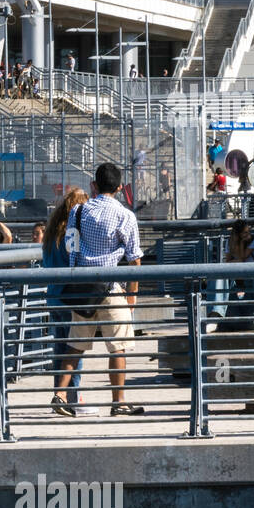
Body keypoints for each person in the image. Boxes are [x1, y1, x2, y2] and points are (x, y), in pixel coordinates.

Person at [52, 162, 143, 417]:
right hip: (111, 286)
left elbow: (72, 246)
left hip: (83, 285)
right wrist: (131, 297)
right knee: (118, 347)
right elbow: (135, 259)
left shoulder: (78, 212)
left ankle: (59, 395)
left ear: (94, 184)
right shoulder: (125, 215)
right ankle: (119, 402)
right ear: (120, 187)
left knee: (75, 346)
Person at [41, 189, 92, 416]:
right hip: (70, 296)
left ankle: (58, 396)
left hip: (53, 295)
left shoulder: (52, 233)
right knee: (75, 348)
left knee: (60, 348)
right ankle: (73, 399)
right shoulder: (72, 232)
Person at [221, 220, 254, 331]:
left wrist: (242, 243)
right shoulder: (230, 242)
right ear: (238, 234)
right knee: (218, 276)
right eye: (245, 232)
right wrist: (237, 259)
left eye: (248, 232)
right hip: (236, 275)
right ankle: (215, 316)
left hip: (251, 275)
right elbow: (228, 261)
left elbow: (242, 257)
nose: (248, 235)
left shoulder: (252, 240)